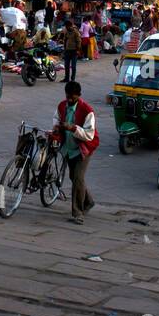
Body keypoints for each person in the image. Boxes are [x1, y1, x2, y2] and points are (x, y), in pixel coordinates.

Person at [51, 80, 98, 225]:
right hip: (68, 148)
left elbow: (89, 135)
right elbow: (56, 119)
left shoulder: (87, 111)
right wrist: (57, 128)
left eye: (73, 98)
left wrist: (72, 128)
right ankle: (88, 201)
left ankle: (78, 212)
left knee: (78, 178)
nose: (70, 100)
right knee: (74, 177)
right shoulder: (62, 106)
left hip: (83, 149)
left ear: (79, 96)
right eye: (68, 97)